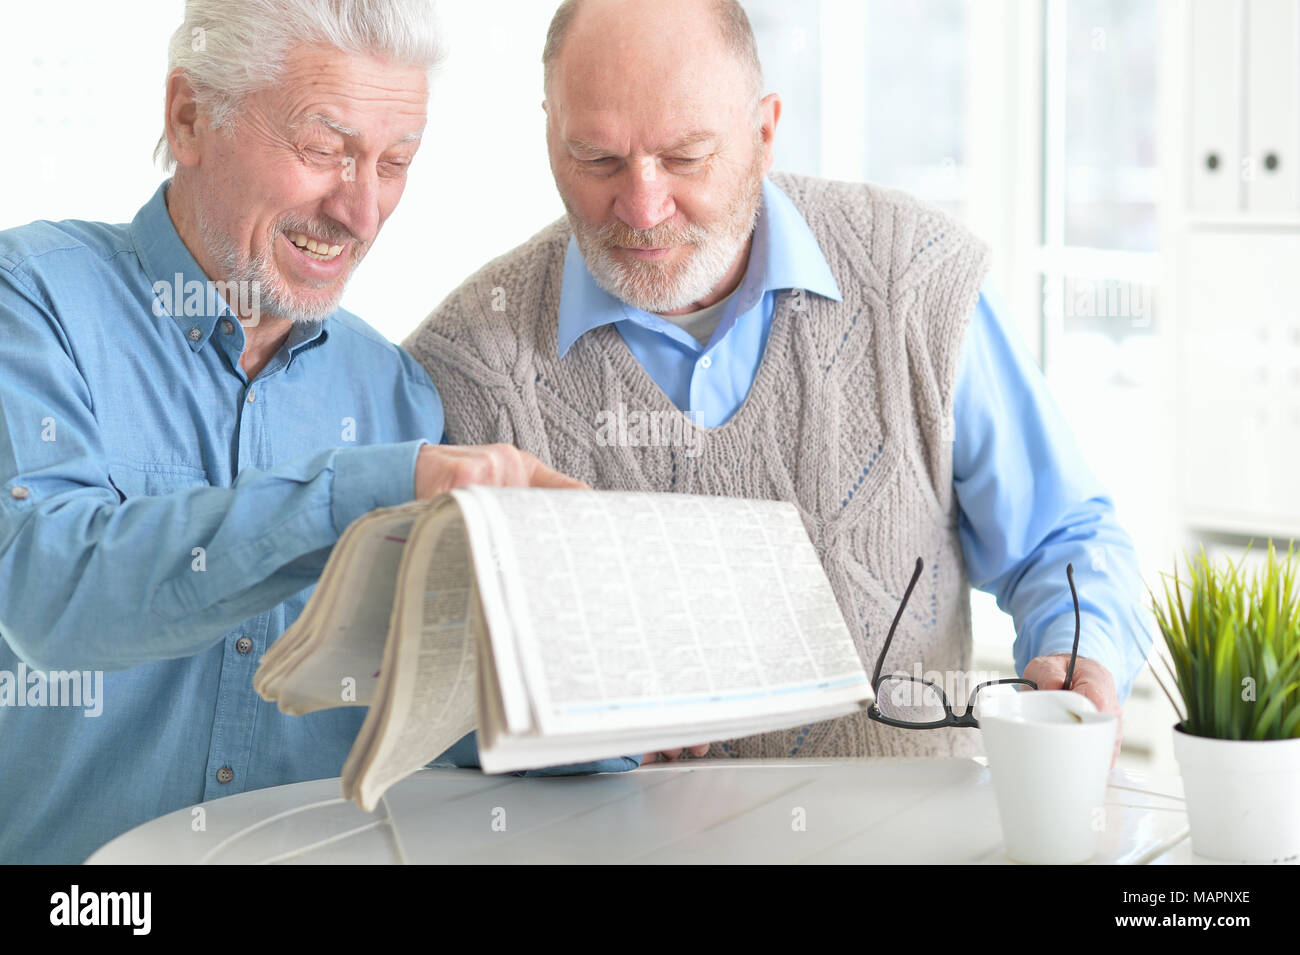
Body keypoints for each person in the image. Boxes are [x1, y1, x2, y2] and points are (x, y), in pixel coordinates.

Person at [404, 0, 1152, 764]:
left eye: (687, 156)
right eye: (598, 159)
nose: (642, 206)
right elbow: (413, 702)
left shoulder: (916, 286)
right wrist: (577, 741)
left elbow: (1063, 539)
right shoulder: (465, 363)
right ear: (550, 134)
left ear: (764, 133)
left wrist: (1081, 653)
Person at [0, 0, 630, 866]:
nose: (362, 212)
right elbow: (47, 594)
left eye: (395, 163)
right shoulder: (35, 300)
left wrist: (608, 713)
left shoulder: (396, 391)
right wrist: (356, 494)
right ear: (189, 117)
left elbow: (427, 719)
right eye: (325, 150)